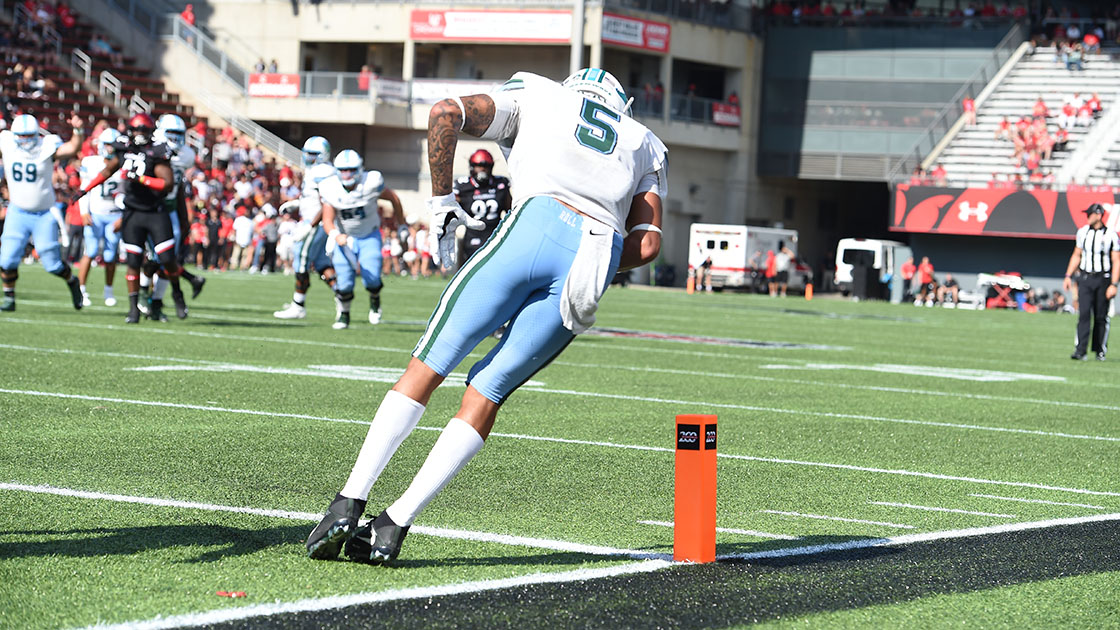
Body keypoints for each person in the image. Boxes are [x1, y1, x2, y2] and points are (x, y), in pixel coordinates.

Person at [305, 67, 666, 564]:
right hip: (592, 261)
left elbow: (445, 113)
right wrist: (595, 256)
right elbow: (646, 244)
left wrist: (441, 204)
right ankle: (395, 523)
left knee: (429, 365)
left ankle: (350, 499)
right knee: (488, 391)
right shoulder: (645, 140)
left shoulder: (540, 94)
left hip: (533, 225)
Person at [75, 113, 179, 323]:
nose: (140, 134)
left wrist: (139, 179)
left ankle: (158, 299)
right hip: (125, 212)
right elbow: (107, 173)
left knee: (160, 258)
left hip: (147, 211)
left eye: (144, 130)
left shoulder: (158, 151)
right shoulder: (118, 153)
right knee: (126, 258)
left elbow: (167, 184)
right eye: (137, 130)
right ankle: (129, 304)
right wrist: (84, 192)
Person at [0, 113, 86, 312]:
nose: (24, 139)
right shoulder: (6, 143)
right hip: (17, 212)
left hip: (43, 214)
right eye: (20, 135)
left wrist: (78, 130)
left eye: (28, 135)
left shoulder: (46, 147)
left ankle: (72, 281)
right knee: (7, 259)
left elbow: (74, 147)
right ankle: (9, 297)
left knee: (52, 264)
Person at [318, 149, 405, 329]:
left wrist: (401, 224)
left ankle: (375, 300)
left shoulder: (371, 182)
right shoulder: (330, 187)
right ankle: (344, 314)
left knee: (372, 277)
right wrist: (335, 235)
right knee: (344, 282)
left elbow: (394, 198)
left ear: (359, 169)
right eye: (343, 170)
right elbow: (327, 219)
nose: (347, 174)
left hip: (369, 235)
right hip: (345, 238)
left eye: (350, 169)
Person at [274, 136, 338, 319]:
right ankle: (343, 297)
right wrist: (297, 204)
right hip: (313, 220)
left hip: (314, 222)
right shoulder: (316, 170)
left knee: (301, 260)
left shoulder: (323, 171)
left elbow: (326, 201)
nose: (307, 157)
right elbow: (312, 197)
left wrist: (310, 225)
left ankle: (298, 304)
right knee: (321, 263)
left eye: (312, 154)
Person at [1063, 203, 1119, 360]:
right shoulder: (1083, 232)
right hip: (1086, 278)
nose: (1087, 217)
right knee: (1084, 314)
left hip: (1103, 279)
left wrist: (1114, 284)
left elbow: (1116, 260)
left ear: (1099, 215)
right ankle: (1080, 350)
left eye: (1090, 214)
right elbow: (1076, 255)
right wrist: (1068, 275)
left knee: (1101, 316)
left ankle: (1100, 350)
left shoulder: (1111, 235)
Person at [75, 127, 124, 307]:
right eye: (108, 145)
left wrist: (123, 216)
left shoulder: (124, 164)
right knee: (90, 251)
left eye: (114, 146)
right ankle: (81, 290)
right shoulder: (91, 162)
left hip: (114, 215)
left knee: (111, 256)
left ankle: (108, 291)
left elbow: (128, 193)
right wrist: (84, 212)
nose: (110, 149)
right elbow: (84, 189)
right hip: (95, 213)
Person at [454, 149, 512, 267]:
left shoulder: (500, 184)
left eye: (486, 166)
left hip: (495, 236)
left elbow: (511, 210)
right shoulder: (463, 186)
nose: (483, 169)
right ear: (472, 167)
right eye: (479, 166)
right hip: (472, 237)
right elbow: (453, 212)